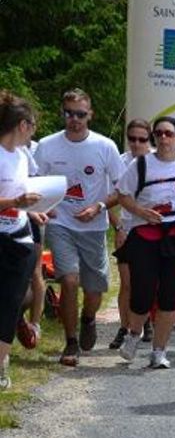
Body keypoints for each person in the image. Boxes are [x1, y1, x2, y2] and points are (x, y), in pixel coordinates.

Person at [34, 89, 124, 367]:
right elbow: (33, 181)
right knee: (69, 280)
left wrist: (98, 207)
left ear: (90, 115)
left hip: (93, 227)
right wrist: (43, 206)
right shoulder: (47, 145)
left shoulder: (105, 146)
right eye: (68, 113)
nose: (74, 119)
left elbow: (121, 188)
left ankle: (88, 318)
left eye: (80, 114)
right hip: (60, 222)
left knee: (95, 289)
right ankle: (71, 341)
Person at [115, 116, 175, 368]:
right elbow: (123, 196)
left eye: (168, 133)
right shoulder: (140, 165)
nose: (163, 138)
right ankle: (134, 334)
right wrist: (142, 213)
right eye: (159, 134)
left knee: (170, 296)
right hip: (145, 237)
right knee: (142, 295)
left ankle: (159, 352)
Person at [0, 93, 44, 391]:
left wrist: (33, 210)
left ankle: (2, 365)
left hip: (20, 238)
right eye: (32, 124)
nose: (34, 131)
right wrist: (15, 200)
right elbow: (14, 196)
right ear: (21, 124)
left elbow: (23, 194)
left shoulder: (22, 156)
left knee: (11, 304)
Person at [109, 120, 154, 351]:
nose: (137, 143)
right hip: (127, 228)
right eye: (132, 139)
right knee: (126, 283)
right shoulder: (120, 162)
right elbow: (110, 200)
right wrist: (118, 228)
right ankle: (124, 328)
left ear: (150, 140)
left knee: (145, 282)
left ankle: (145, 321)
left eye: (142, 139)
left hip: (151, 231)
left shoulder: (157, 161)